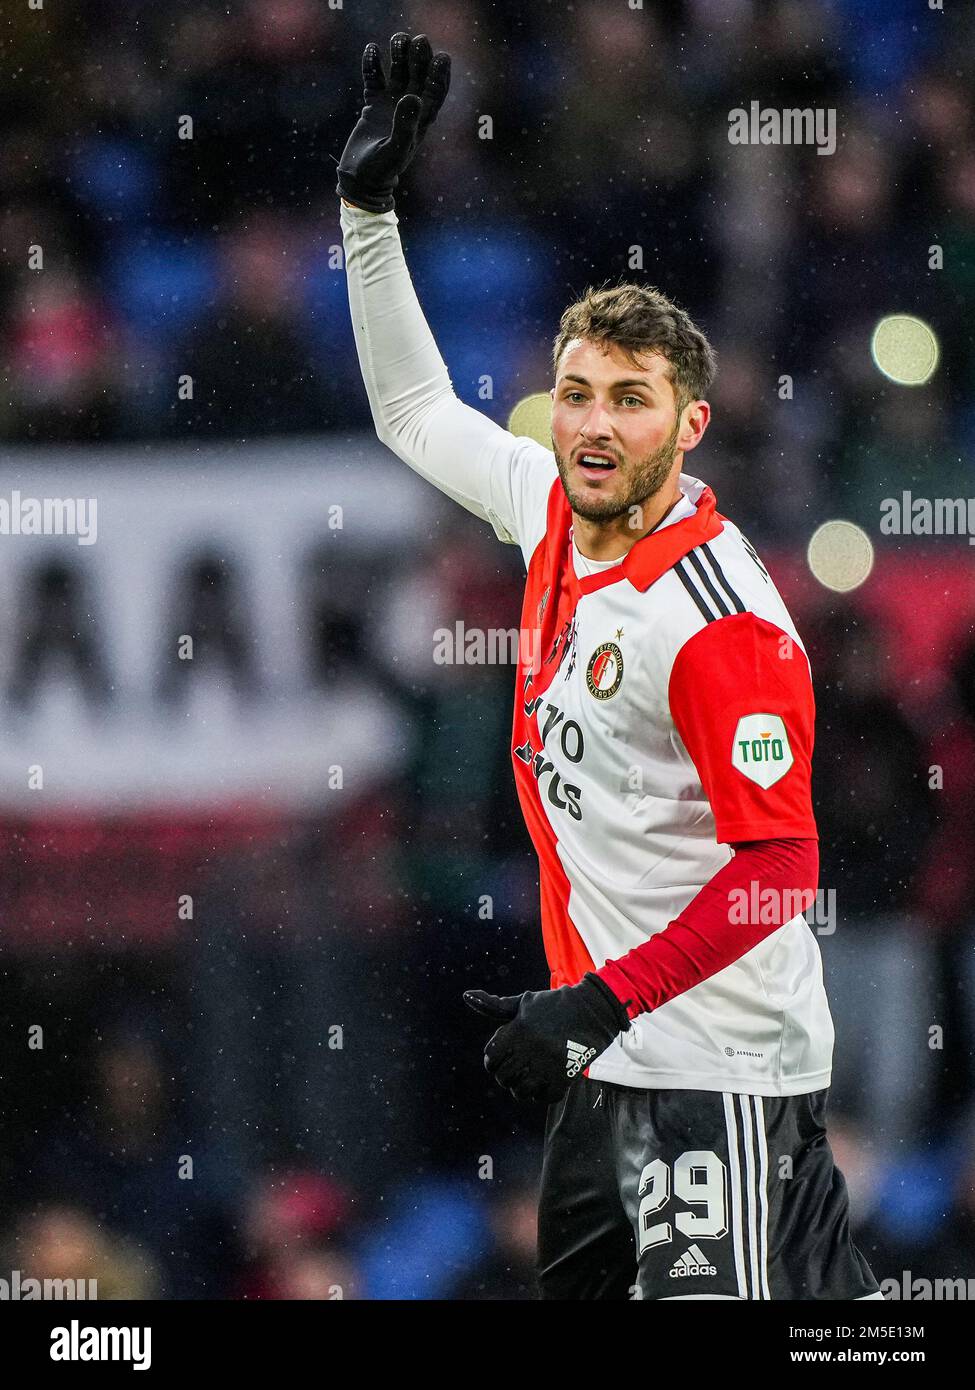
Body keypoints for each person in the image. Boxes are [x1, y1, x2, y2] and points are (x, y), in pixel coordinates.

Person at [335, 31, 882, 1302]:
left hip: (718, 1074)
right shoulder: (545, 511)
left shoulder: (717, 622)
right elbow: (415, 413)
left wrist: (599, 1002)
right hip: (616, 1065)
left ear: (689, 427)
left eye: (630, 398)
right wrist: (368, 212)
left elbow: (781, 869)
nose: (592, 422)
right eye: (576, 392)